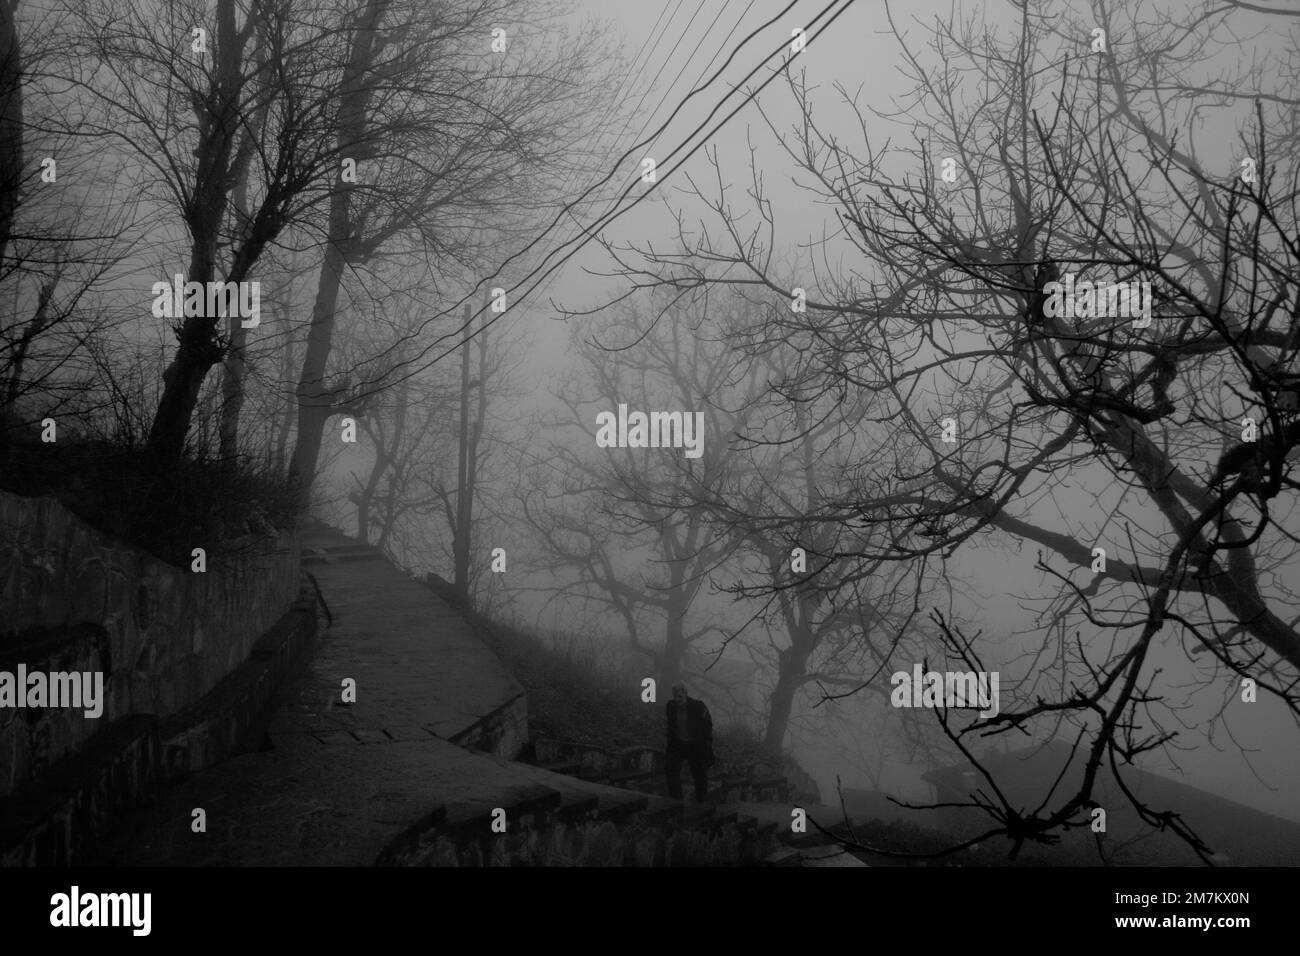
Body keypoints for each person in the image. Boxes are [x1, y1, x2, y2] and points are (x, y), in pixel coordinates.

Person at [665, 683, 713, 802]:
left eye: (680, 696)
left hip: (695, 745)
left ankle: (701, 803)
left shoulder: (698, 706)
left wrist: (705, 743)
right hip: (678, 744)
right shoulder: (670, 707)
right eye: (675, 696)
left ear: (685, 694)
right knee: (671, 770)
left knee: (699, 775)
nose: (677, 699)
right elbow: (671, 727)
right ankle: (676, 801)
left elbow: (708, 725)